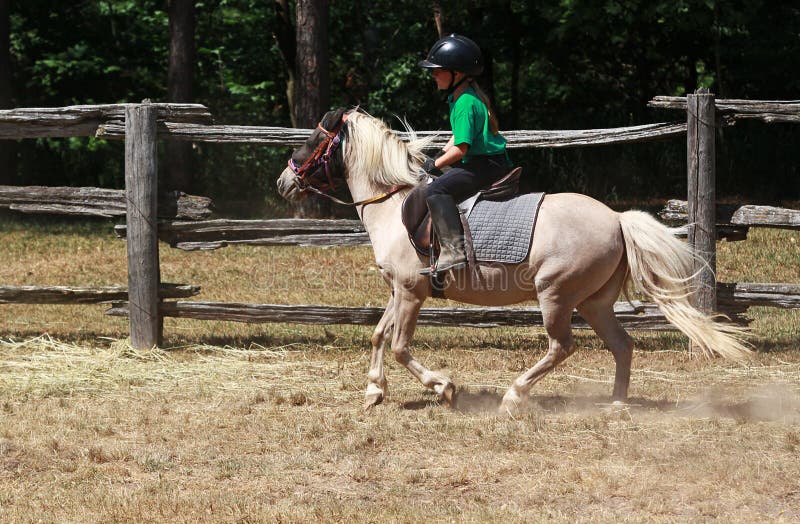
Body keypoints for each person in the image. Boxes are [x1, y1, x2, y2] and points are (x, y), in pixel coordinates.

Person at [418, 33, 512, 276]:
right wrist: (438, 156)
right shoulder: (464, 97)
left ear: (456, 73)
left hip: (484, 165)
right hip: (488, 162)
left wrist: (434, 164)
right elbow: (457, 137)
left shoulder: (464, 104)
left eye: (438, 70)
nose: (433, 75)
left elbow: (461, 149)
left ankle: (453, 252)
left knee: (436, 190)